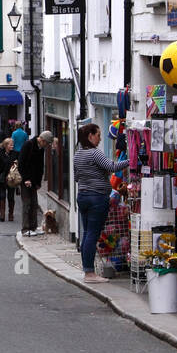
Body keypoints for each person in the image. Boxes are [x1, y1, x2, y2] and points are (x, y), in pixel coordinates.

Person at [74, 121, 123, 282]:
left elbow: (76, 177)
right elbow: (112, 167)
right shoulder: (95, 153)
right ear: (90, 136)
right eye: (98, 135)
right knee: (92, 235)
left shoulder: (78, 154)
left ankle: (88, 270)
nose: (100, 139)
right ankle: (89, 273)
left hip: (83, 196)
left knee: (87, 233)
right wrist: (132, 161)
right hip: (97, 198)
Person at [17, 130, 52, 235]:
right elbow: (21, 163)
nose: (46, 146)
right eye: (46, 143)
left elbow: (40, 166)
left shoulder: (40, 148)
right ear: (41, 140)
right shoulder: (28, 145)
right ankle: (25, 229)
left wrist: (38, 182)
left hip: (34, 180)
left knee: (34, 204)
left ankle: (33, 227)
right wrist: (26, 179)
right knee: (27, 204)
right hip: (26, 180)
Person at [0, 136, 19, 223]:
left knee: (11, 196)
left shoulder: (16, 154)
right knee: (2, 196)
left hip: (12, 178)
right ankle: (2, 214)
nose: (12, 146)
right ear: (6, 145)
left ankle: (11, 214)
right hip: (1, 177)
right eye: (10, 145)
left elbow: (19, 164)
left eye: (13, 145)